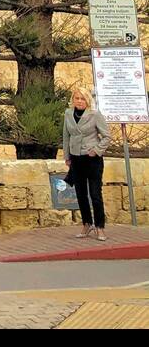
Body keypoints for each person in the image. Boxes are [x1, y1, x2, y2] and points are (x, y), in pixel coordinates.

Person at [65, 87, 111, 242]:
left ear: (88, 100)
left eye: (82, 98)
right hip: (76, 158)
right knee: (81, 194)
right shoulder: (68, 114)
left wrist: (96, 150)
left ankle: (100, 226)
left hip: (92, 159)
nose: (79, 101)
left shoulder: (95, 115)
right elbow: (66, 136)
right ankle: (86, 223)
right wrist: (67, 157)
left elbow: (106, 136)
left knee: (95, 194)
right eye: (77, 98)